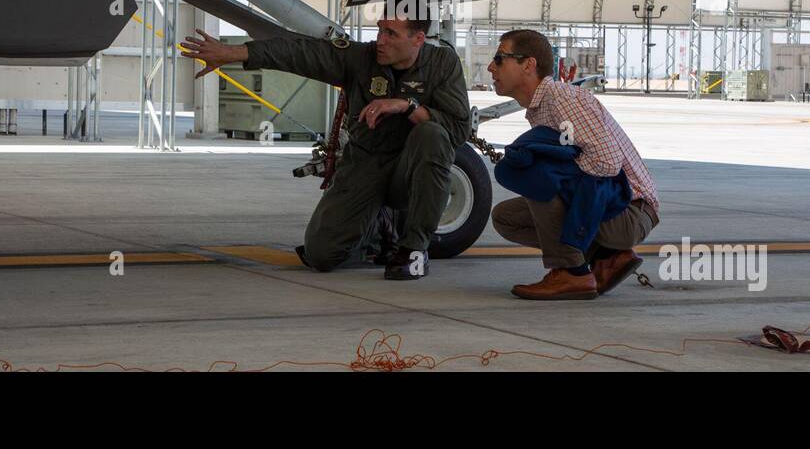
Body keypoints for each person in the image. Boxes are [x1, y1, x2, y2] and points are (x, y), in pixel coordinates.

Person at [181, 19, 471, 281]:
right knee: (320, 255)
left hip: (410, 170)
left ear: (418, 39)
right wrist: (236, 53)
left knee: (432, 133)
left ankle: (414, 249)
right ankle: (376, 227)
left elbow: (457, 130)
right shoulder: (361, 58)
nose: (380, 39)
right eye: (380, 30)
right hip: (366, 164)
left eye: (391, 34)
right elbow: (302, 52)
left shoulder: (442, 64)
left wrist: (407, 106)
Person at [487, 29, 660, 300]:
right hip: (610, 207)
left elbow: (607, 161)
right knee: (506, 219)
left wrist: (556, 172)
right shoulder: (541, 107)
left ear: (528, 65)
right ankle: (606, 256)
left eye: (499, 59)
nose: (490, 67)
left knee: (540, 177)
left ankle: (571, 272)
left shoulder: (560, 99)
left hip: (629, 210)